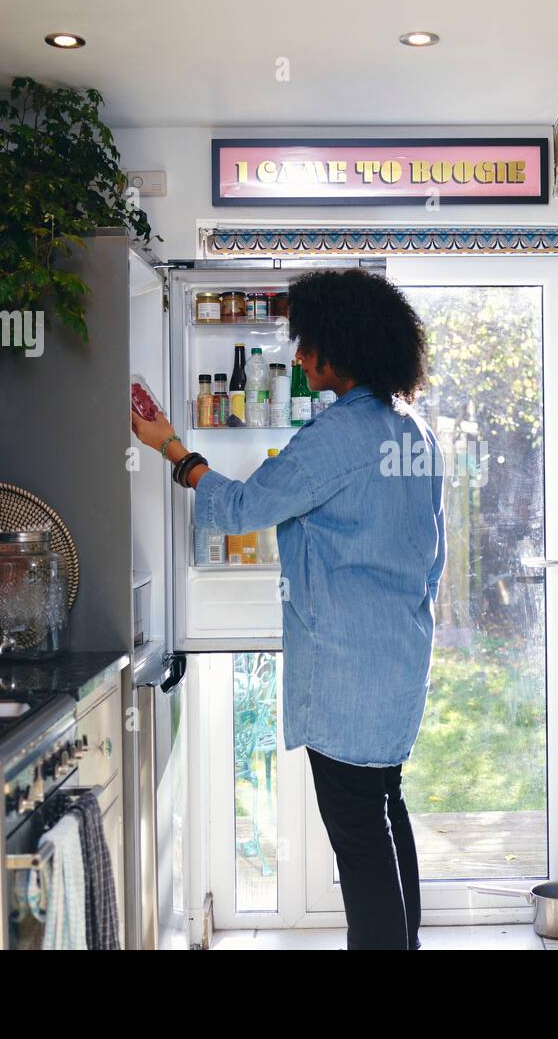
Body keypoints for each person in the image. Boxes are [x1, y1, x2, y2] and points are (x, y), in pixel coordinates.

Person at [131, 269, 445, 950]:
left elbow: (244, 509)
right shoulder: (414, 431)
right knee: (384, 811)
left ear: (341, 348)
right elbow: (433, 553)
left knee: (361, 837)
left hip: (347, 676)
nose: (299, 359)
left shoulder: (338, 436)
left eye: (307, 345)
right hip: (397, 661)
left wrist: (172, 449)